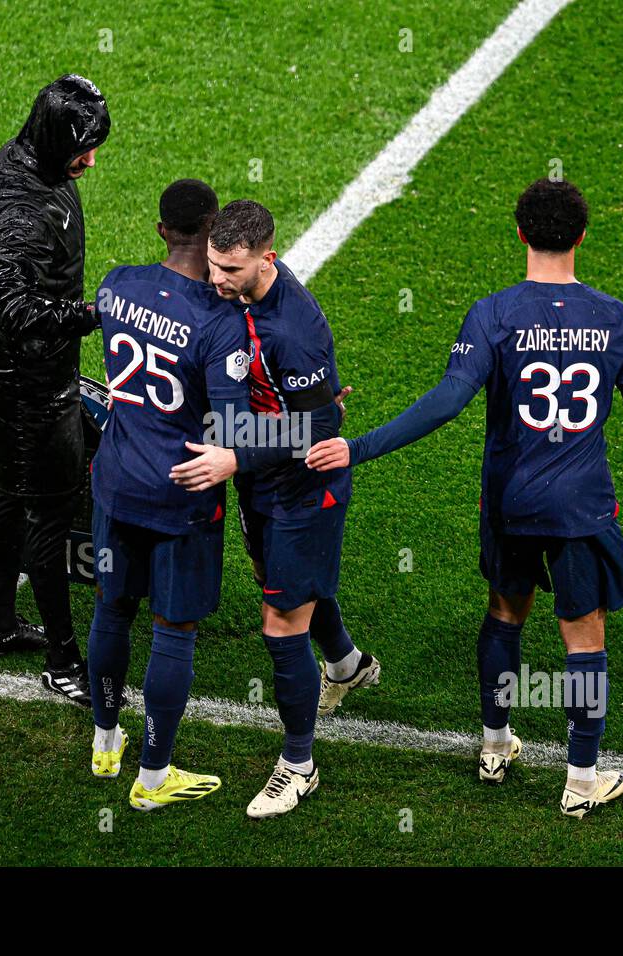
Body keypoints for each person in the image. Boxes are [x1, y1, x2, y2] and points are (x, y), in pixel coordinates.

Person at [306, 178, 623, 818]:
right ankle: (582, 779)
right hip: (581, 507)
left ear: (520, 233)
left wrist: (357, 447)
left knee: (504, 614)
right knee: (584, 642)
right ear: (582, 236)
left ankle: (495, 745)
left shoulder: (493, 314)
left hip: (510, 502)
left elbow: (447, 401)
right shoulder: (618, 320)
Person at [169, 200, 378, 819]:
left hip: (305, 489)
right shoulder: (235, 294)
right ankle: (345, 664)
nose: (216, 279)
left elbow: (320, 427)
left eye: (230, 270)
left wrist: (235, 455)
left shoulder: (293, 329)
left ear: (268, 258)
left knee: (281, 620)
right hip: (261, 478)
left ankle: (298, 765)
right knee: (280, 581)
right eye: (213, 264)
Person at [87, 180, 249, 811]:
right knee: (173, 632)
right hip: (182, 495)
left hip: (116, 481)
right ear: (214, 233)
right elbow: (235, 429)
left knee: (112, 610)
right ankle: (153, 778)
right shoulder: (220, 322)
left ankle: (105, 743)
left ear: (161, 230)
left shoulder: (117, 284)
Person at [0, 73, 110, 706]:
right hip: (27, 390)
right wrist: (95, 314)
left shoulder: (33, 166)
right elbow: (19, 312)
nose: (91, 161)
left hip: (15, 378)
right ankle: (63, 660)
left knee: (8, 495)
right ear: (54, 138)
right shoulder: (17, 211)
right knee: (49, 512)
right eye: (83, 148)